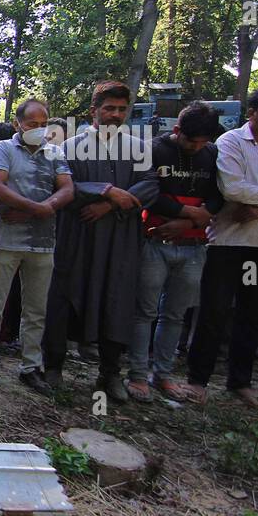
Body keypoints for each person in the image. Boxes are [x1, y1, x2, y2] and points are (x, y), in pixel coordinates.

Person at [186, 84, 258, 406]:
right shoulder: (231, 142)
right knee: (215, 310)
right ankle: (198, 379)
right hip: (232, 241)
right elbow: (236, 189)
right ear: (253, 112)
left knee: (255, 313)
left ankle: (240, 381)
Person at [42, 80, 158, 402]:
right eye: (109, 108)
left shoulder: (139, 147)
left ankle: (110, 373)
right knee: (65, 296)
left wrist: (109, 204)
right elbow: (61, 185)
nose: (116, 115)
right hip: (78, 235)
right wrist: (102, 190)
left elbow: (150, 186)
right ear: (94, 111)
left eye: (122, 109)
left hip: (120, 239)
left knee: (116, 299)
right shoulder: (69, 146)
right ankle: (53, 365)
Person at [126, 102, 221, 401]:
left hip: (194, 246)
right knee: (145, 311)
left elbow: (219, 196)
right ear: (177, 130)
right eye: (192, 141)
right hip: (155, 241)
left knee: (176, 314)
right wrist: (187, 214)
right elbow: (147, 193)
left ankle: (163, 375)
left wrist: (189, 221)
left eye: (203, 142)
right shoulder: (151, 150)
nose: (197, 147)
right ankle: (138, 374)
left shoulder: (213, 154)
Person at [0, 99, 74, 396]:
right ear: (18, 123)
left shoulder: (54, 151)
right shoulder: (4, 149)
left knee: (36, 308)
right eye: (32, 124)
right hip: (5, 239)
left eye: (43, 124)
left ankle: (30, 366)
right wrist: (39, 207)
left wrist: (39, 210)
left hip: (42, 242)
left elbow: (67, 188)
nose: (38, 129)